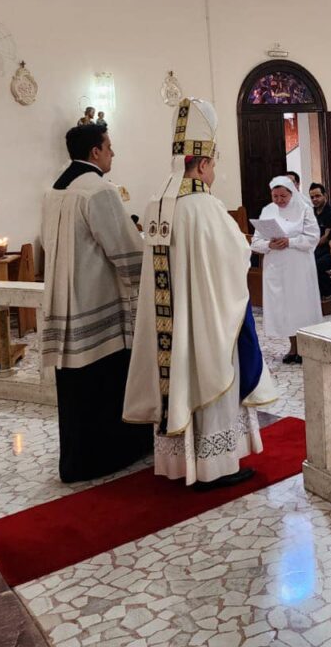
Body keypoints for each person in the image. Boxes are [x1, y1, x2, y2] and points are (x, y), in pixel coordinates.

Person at [124, 98, 275, 489]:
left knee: (176, 378)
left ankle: (176, 464)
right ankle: (215, 466)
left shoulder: (156, 204)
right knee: (210, 372)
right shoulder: (204, 206)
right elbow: (235, 256)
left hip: (168, 326)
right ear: (203, 164)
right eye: (214, 167)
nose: (213, 174)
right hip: (202, 320)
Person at [40, 121, 152, 483]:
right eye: (109, 146)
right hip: (96, 299)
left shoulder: (55, 189)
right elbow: (123, 247)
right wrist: (153, 268)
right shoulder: (98, 190)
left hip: (64, 301)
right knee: (104, 381)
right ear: (95, 152)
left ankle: (76, 460)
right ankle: (108, 456)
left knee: (77, 388)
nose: (113, 153)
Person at [252, 176, 321, 365]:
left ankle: (305, 348)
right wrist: (269, 244)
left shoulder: (304, 209)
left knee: (300, 307)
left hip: (298, 267)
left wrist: (290, 241)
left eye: (283, 196)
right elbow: (255, 242)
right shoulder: (268, 210)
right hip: (276, 267)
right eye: (275, 196)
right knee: (284, 310)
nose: (279, 200)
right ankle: (293, 347)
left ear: (292, 193)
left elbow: (313, 237)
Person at [309, 182, 331, 306]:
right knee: (306, 263)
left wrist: (322, 239)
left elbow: (328, 238)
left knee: (316, 266)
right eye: (312, 197)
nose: (315, 199)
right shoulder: (312, 213)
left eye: (318, 196)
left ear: (325, 196)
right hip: (318, 248)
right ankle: (322, 293)